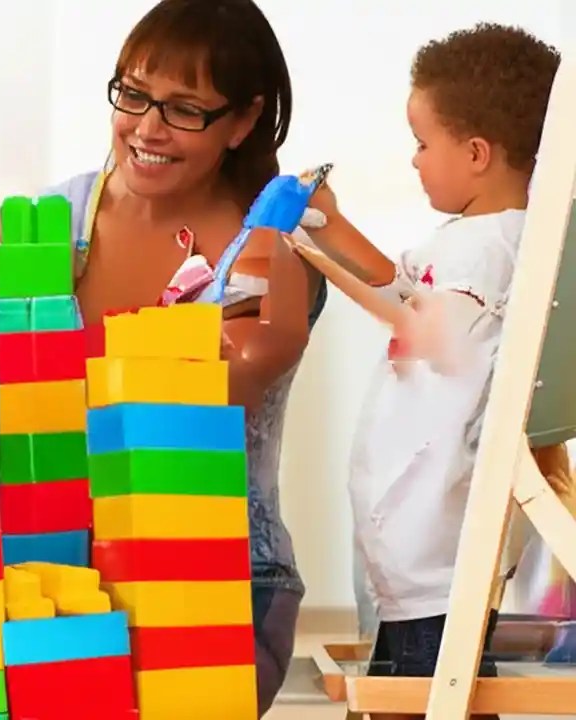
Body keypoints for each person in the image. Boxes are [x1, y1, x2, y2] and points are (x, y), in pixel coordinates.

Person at [0, 0, 325, 713]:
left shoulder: (271, 252)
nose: (147, 128)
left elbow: (226, 391)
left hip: (221, 565)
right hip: (50, 563)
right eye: (133, 95)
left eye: (185, 109)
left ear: (245, 120)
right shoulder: (46, 223)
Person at [287, 22, 561, 717]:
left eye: (421, 142)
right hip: (434, 544)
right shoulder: (486, 239)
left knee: (416, 699)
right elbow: (400, 283)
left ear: (475, 153)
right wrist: (332, 223)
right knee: (435, 693)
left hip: (434, 543)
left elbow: (428, 331)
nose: (412, 160)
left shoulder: (484, 252)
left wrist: (313, 259)